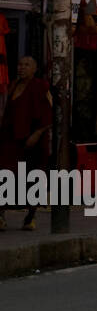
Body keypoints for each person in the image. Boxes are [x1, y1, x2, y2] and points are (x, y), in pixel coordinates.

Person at [0, 56, 51, 231]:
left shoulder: (41, 86)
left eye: (26, 65)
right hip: (11, 139)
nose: (22, 68)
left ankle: (30, 216)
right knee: (6, 174)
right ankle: (1, 214)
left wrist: (36, 134)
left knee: (33, 176)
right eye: (20, 64)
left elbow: (48, 114)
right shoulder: (14, 85)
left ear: (34, 69)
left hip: (34, 140)